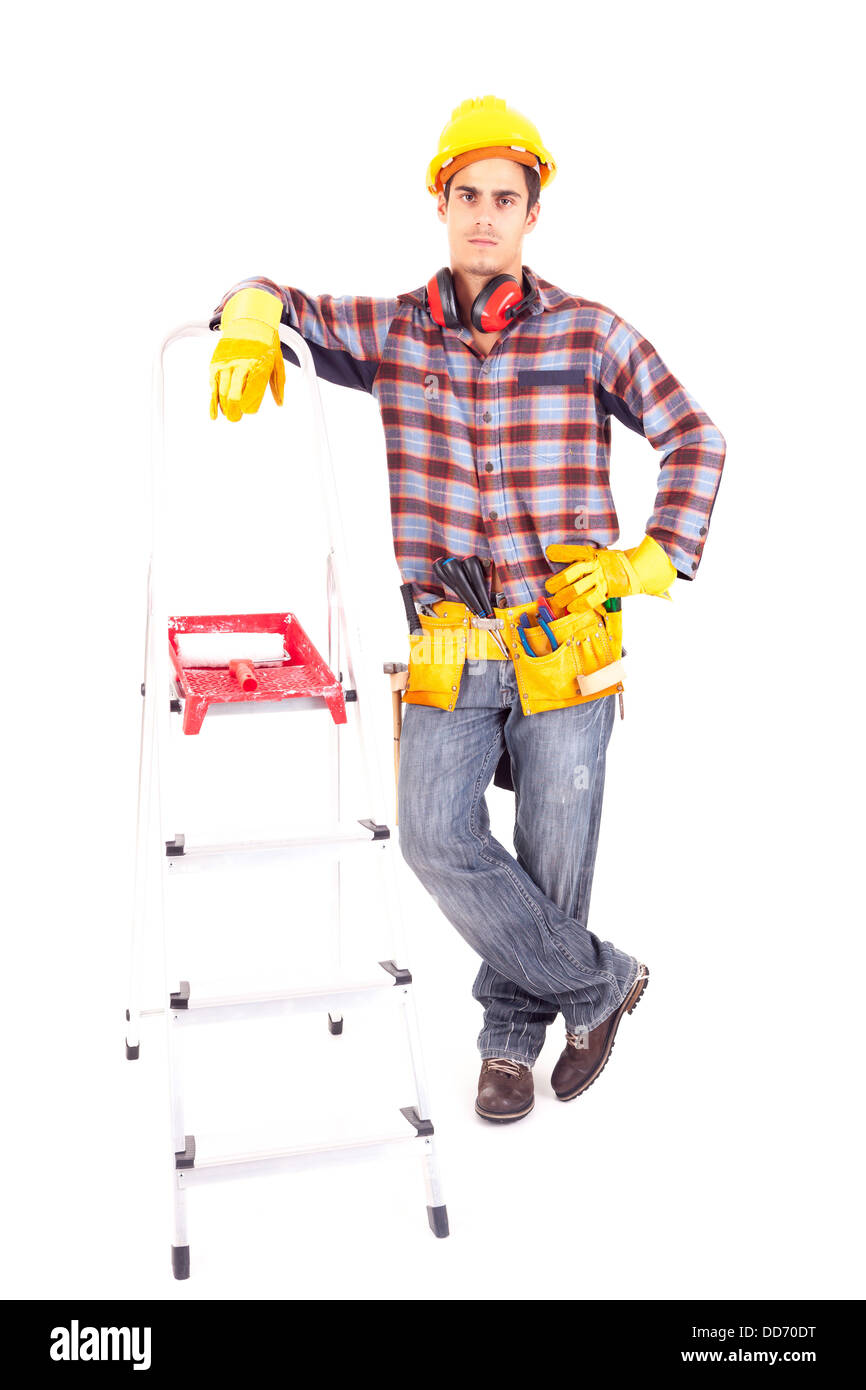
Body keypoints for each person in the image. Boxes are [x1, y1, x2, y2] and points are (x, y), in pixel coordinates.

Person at [208, 95, 726, 1124]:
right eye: (466, 196)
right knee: (435, 836)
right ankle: (598, 985)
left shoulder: (587, 333)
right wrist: (250, 307)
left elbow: (693, 434)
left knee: (554, 847)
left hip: (569, 643)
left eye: (504, 198)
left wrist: (650, 558)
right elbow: (278, 298)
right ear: (438, 204)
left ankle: (505, 1041)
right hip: (448, 638)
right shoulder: (394, 330)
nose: (483, 214)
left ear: (532, 215)